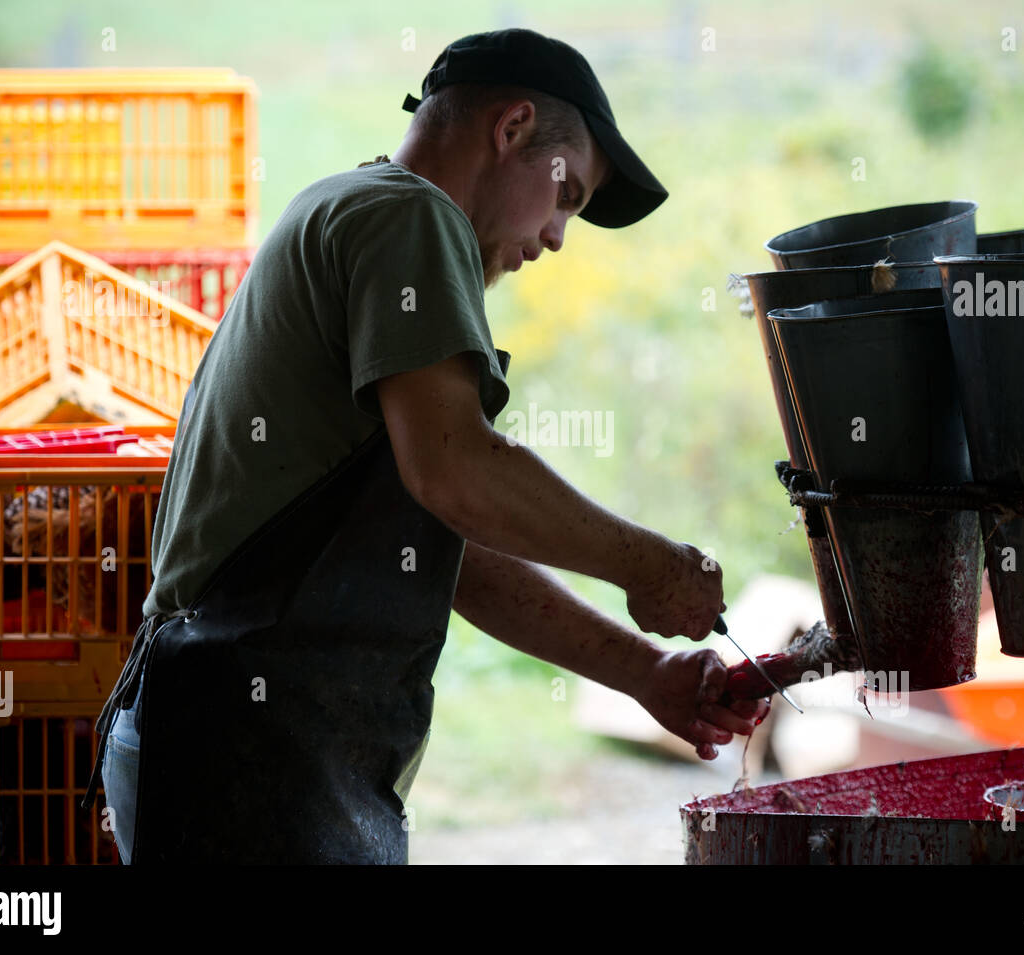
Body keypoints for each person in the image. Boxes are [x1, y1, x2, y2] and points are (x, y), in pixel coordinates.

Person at [80, 27, 768, 865]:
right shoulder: (409, 216)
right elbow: (459, 469)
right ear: (512, 129)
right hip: (242, 749)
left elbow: (456, 544)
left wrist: (647, 673)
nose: (555, 237)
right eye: (568, 198)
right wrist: (647, 565)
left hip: (225, 740)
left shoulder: (354, 209)